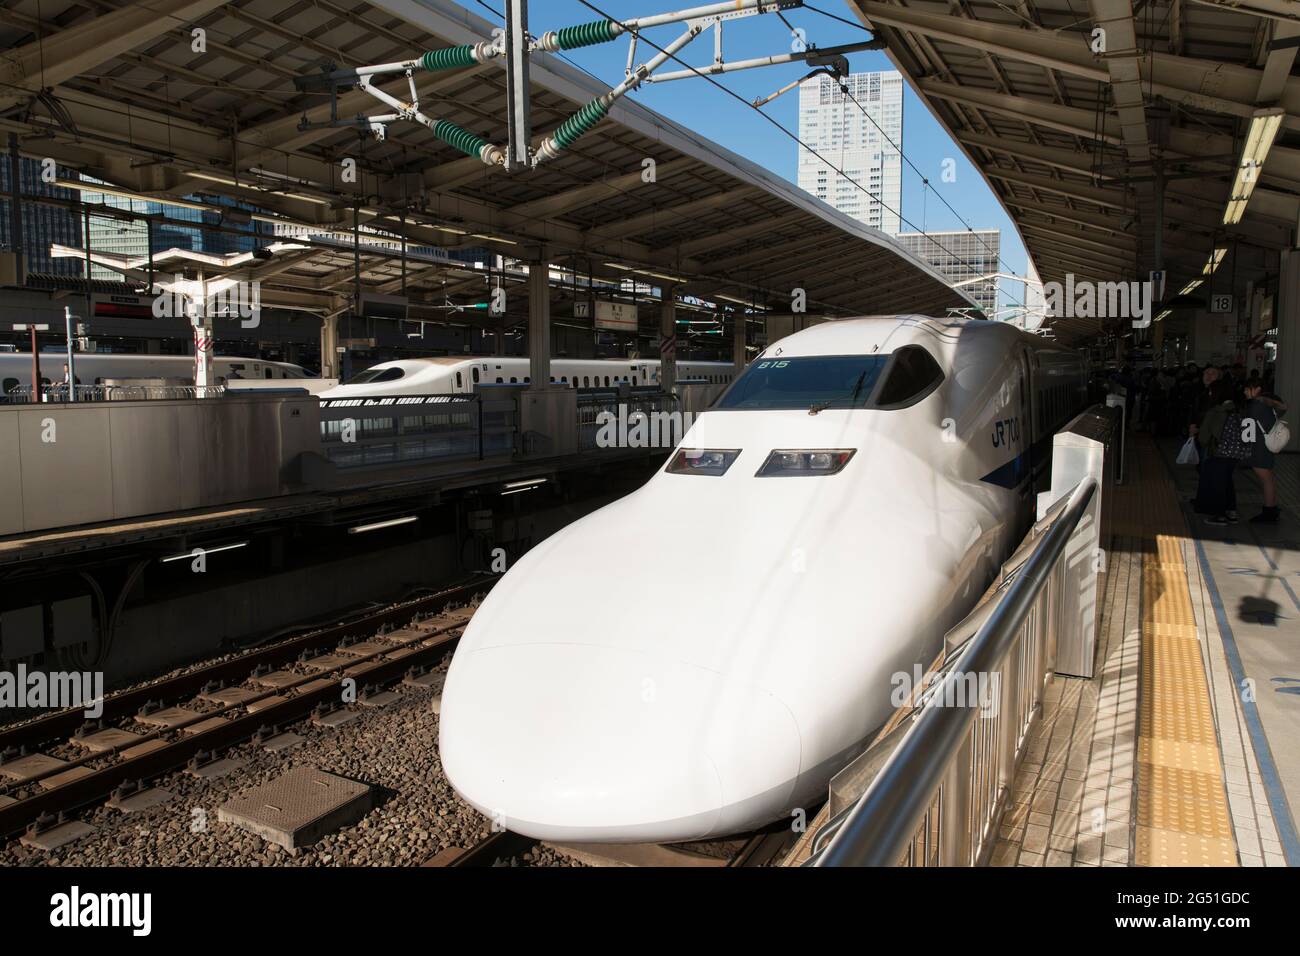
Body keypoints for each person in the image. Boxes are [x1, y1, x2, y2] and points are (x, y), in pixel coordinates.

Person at [1197, 380, 1245, 525]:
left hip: (1219, 452)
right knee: (1227, 481)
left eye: (1211, 391)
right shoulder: (1238, 409)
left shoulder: (1216, 411)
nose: (1210, 393)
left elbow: (1205, 437)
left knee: (1217, 483)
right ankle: (1231, 512)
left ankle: (1219, 515)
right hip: (1236, 452)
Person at [1243, 381, 1286, 524]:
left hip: (1260, 448)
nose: (1244, 392)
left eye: (1247, 390)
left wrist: (1255, 400)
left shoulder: (1257, 405)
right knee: (1268, 480)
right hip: (1263, 447)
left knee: (1267, 480)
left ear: (1257, 389)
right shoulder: (1264, 406)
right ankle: (1271, 509)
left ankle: (1269, 512)